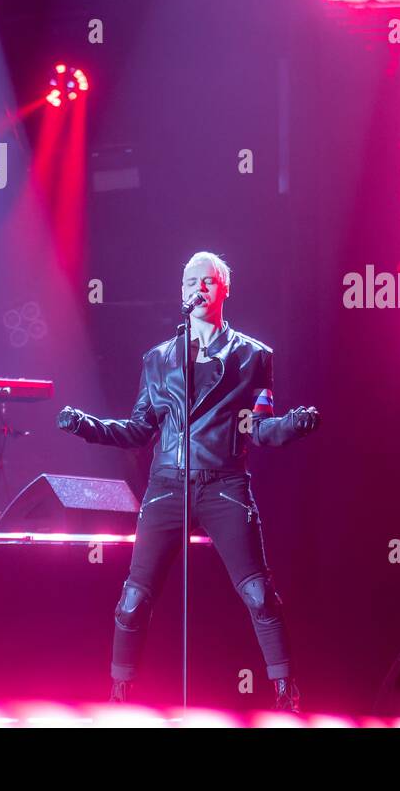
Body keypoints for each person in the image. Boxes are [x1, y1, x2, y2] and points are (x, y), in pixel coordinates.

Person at [57, 251, 320, 712]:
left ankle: (286, 692)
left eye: (208, 281)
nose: (198, 289)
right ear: (180, 293)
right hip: (167, 485)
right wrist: (87, 426)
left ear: (224, 289)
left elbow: (258, 428)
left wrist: (294, 425)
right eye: (189, 282)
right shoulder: (159, 360)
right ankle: (120, 694)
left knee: (259, 593)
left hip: (224, 484)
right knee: (133, 601)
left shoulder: (254, 356)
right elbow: (140, 429)